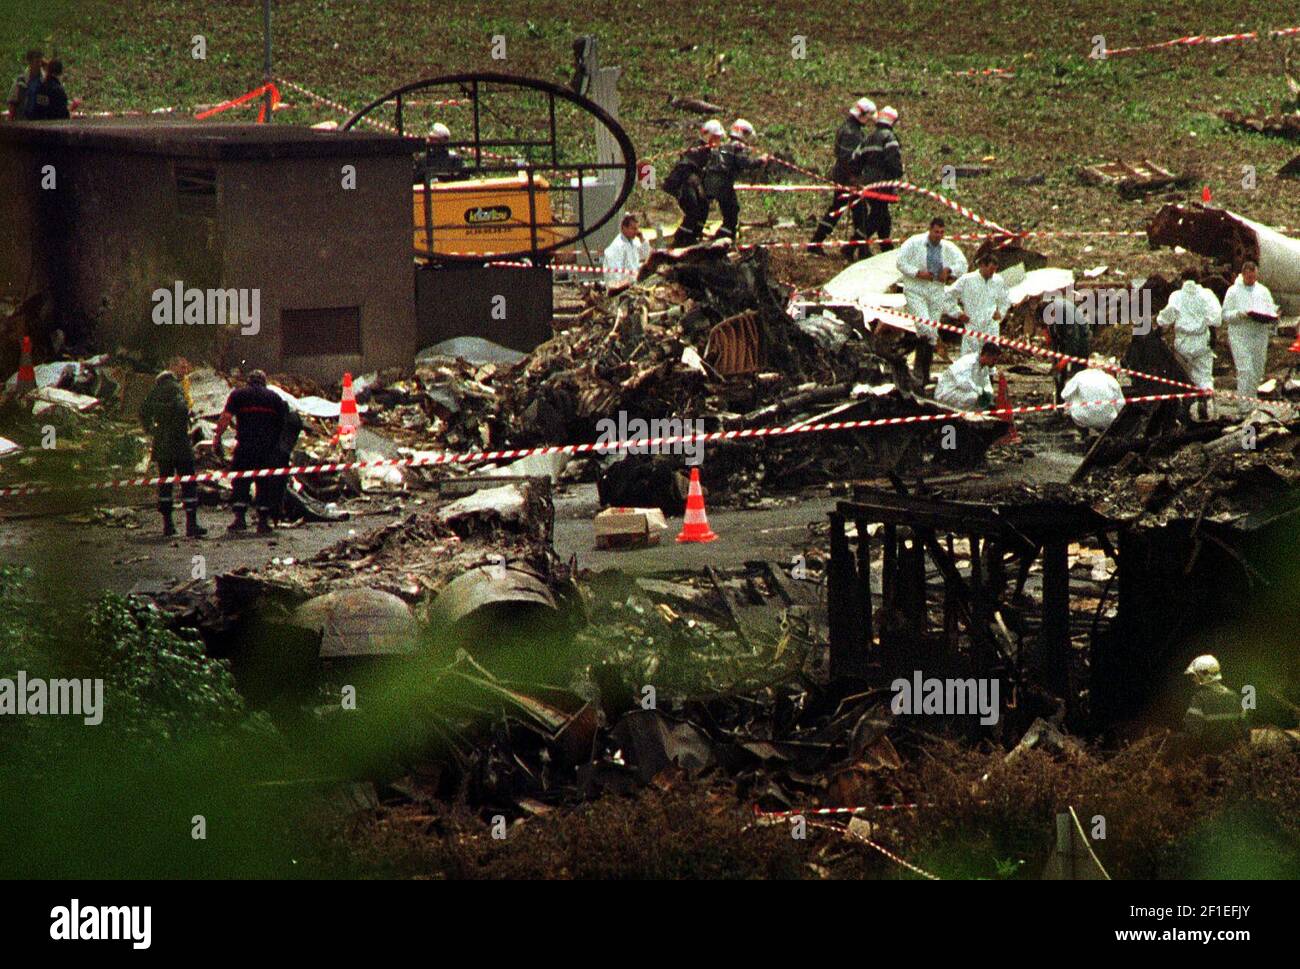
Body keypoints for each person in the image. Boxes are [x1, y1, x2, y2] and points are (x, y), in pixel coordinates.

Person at [212, 369, 287, 535]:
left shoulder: (238, 395)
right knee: (264, 484)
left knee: (240, 481)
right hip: (266, 449)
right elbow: (283, 424)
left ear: (249, 381)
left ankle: (240, 519)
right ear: (264, 381)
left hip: (245, 446)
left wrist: (217, 438)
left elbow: (225, 418)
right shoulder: (274, 398)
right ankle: (262, 522)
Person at [896, 218, 968, 386]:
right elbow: (901, 262)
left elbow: (962, 264)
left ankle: (923, 373)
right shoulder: (914, 243)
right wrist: (917, 273)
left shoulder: (948, 248)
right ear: (930, 229)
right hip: (916, 290)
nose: (939, 235)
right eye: (936, 232)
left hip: (936, 290)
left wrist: (949, 271)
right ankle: (912, 363)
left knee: (932, 332)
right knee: (924, 326)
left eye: (942, 232)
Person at [140, 369, 207, 539]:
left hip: (162, 445)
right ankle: (191, 525)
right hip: (180, 444)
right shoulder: (176, 388)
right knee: (188, 482)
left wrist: (150, 428)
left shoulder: (155, 392)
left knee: (165, 484)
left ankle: (168, 525)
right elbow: (181, 408)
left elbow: (143, 411)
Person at [808, 97, 875, 255]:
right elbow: (847, 159)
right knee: (857, 213)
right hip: (847, 179)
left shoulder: (848, 127)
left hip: (843, 176)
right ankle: (860, 249)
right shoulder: (852, 133)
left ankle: (817, 242)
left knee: (844, 210)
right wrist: (853, 178)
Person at [1156, 276, 1221, 420]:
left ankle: (1188, 408)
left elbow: (1166, 317)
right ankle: (1208, 407)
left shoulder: (1177, 296)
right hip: (1201, 341)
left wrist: (1160, 327)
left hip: (1183, 343)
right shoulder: (1207, 295)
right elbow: (1216, 318)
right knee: (1204, 376)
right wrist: (1211, 332)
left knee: (1184, 378)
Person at [1222, 261, 1280, 413]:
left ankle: (1251, 401)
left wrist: (1274, 315)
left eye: (1254, 277)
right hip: (1240, 335)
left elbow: (1270, 309)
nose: (1251, 279)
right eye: (1248, 277)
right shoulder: (1233, 291)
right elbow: (1225, 315)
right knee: (1245, 370)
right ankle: (1243, 405)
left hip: (1259, 334)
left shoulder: (1263, 291)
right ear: (1243, 274)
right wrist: (1240, 314)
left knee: (1257, 370)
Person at [849, 104, 903, 256]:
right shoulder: (889, 138)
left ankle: (886, 248)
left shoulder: (869, 138)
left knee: (883, 217)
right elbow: (893, 162)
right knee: (877, 217)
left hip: (868, 184)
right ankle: (852, 245)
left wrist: (857, 177)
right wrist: (897, 174)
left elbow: (855, 159)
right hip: (882, 185)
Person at [703, 118, 769, 242]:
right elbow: (745, 163)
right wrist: (760, 160)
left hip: (711, 181)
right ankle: (725, 237)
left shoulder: (726, 145)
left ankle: (724, 235)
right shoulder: (737, 146)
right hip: (723, 183)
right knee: (732, 212)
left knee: (727, 210)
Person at [663, 120, 722, 246]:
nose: (719, 140)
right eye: (716, 137)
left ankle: (695, 234)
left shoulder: (710, 152)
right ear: (709, 136)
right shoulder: (697, 150)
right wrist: (696, 184)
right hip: (684, 185)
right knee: (693, 210)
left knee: (704, 208)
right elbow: (686, 170)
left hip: (696, 186)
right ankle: (681, 238)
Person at [951, 252, 1011, 356]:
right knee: (969, 359)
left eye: (995, 270)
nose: (992, 272)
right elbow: (948, 296)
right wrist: (957, 313)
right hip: (972, 324)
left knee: (990, 357)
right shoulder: (966, 280)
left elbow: (1005, 300)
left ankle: (990, 373)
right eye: (990, 269)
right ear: (982, 265)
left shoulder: (998, 280)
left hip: (990, 326)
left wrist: (1000, 312)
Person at [1183, 654, 1246, 751]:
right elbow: (1244, 728)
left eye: (1195, 675)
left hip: (1208, 758)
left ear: (1204, 674)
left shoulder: (1200, 698)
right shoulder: (1234, 696)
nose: (1193, 679)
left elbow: (1192, 732)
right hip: (1233, 758)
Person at [1042, 295, 1091, 403]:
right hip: (1063, 338)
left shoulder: (1066, 314)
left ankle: (1079, 403)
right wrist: (1054, 359)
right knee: (1060, 374)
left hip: (1081, 339)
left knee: (1078, 374)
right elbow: (1053, 338)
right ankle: (1060, 401)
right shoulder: (1047, 312)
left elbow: (1074, 341)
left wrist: (1063, 361)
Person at [265, 405, 304, 523]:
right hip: (283, 455)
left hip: (276, 455)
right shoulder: (293, 419)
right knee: (279, 485)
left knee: (273, 485)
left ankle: (273, 514)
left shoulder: (283, 421)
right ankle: (277, 513)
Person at [935, 341, 1000, 409]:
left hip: (959, 392)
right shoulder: (969, 361)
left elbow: (986, 384)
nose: (995, 362)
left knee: (981, 399)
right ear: (987, 355)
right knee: (974, 397)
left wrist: (990, 394)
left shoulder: (984, 367)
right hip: (947, 392)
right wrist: (981, 391)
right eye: (994, 359)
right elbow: (963, 383)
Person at [602, 213, 649, 287]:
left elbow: (645, 255)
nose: (636, 231)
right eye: (633, 228)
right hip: (622, 288)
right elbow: (614, 273)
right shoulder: (617, 246)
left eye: (637, 228)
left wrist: (642, 239)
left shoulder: (632, 243)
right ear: (624, 228)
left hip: (632, 285)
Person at [7, 49, 43, 121]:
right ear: (30, 62)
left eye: (40, 62)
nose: (39, 64)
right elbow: (12, 102)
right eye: (37, 62)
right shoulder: (20, 81)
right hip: (22, 120)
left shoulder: (44, 81)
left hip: (39, 120)